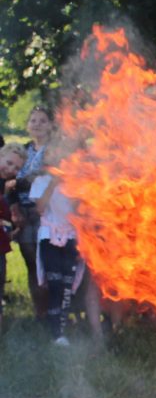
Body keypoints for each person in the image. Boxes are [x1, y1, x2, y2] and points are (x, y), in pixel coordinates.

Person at [29, 142, 84, 346]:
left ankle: (63, 326)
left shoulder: (78, 183)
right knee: (54, 282)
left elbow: (79, 211)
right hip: (49, 236)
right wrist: (53, 184)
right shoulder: (41, 182)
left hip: (71, 236)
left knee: (67, 285)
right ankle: (55, 333)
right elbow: (40, 209)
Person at [8, 106, 55, 321]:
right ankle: (40, 313)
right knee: (31, 265)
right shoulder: (23, 151)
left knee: (48, 263)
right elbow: (8, 180)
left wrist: (19, 183)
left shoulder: (54, 151)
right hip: (24, 214)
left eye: (42, 120)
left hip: (48, 213)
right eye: (33, 120)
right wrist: (15, 206)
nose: (37, 124)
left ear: (51, 125)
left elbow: (44, 175)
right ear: (27, 125)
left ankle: (56, 310)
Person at [0, 143, 28, 334]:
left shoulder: (10, 187)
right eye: (8, 162)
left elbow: (12, 219)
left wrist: (14, 225)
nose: (10, 169)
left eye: (16, 168)